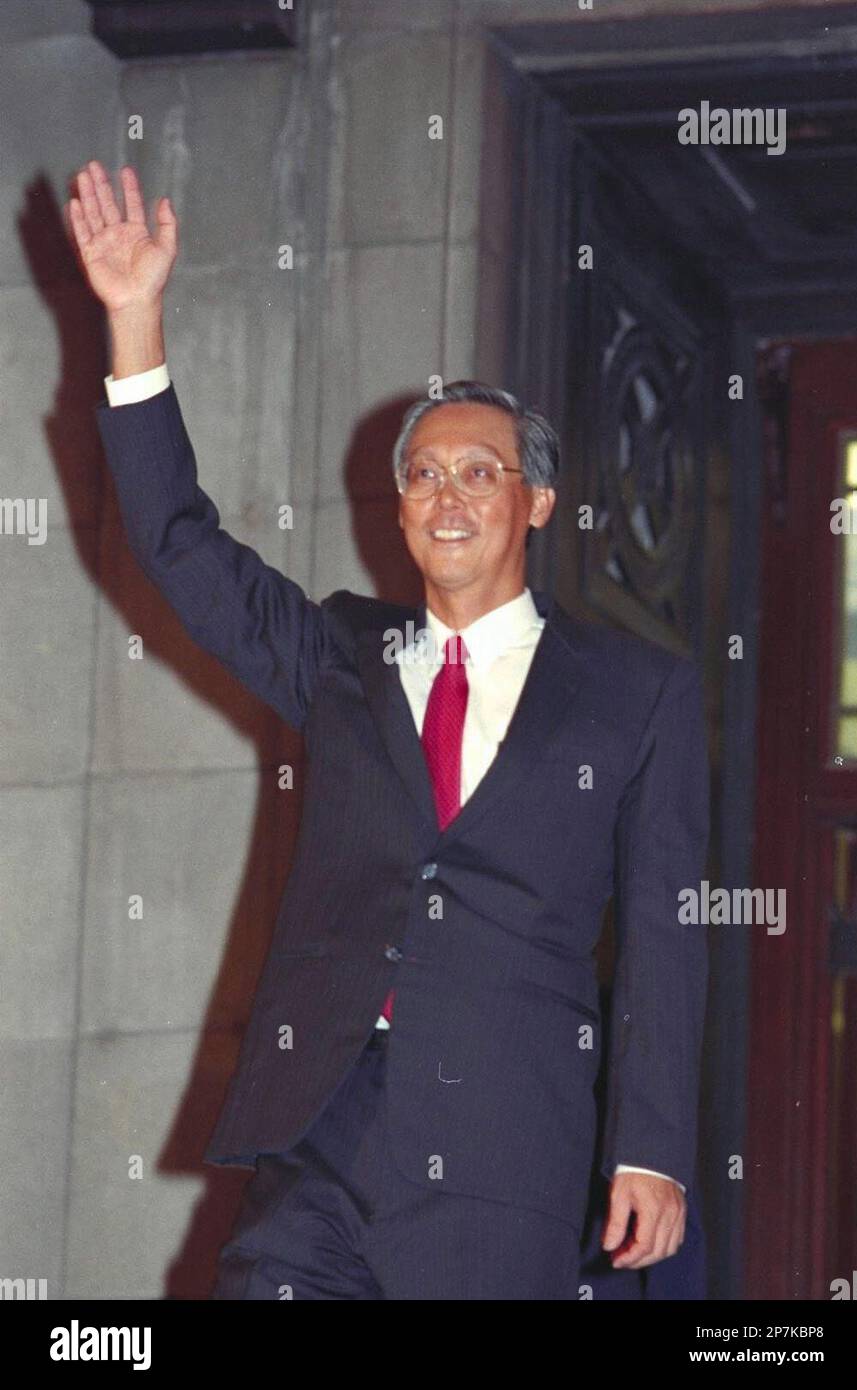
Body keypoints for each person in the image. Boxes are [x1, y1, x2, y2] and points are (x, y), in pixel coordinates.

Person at [66, 160, 710, 1300]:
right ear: (400, 506)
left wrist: (651, 1146)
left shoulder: (633, 692)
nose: (446, 496)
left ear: (538, 501)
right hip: (320, 1128)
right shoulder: (336, 655)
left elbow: (665, 938)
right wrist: (133, 320)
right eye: (421, 475)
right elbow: (175, 542)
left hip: (507, 1156)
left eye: (478, 471)